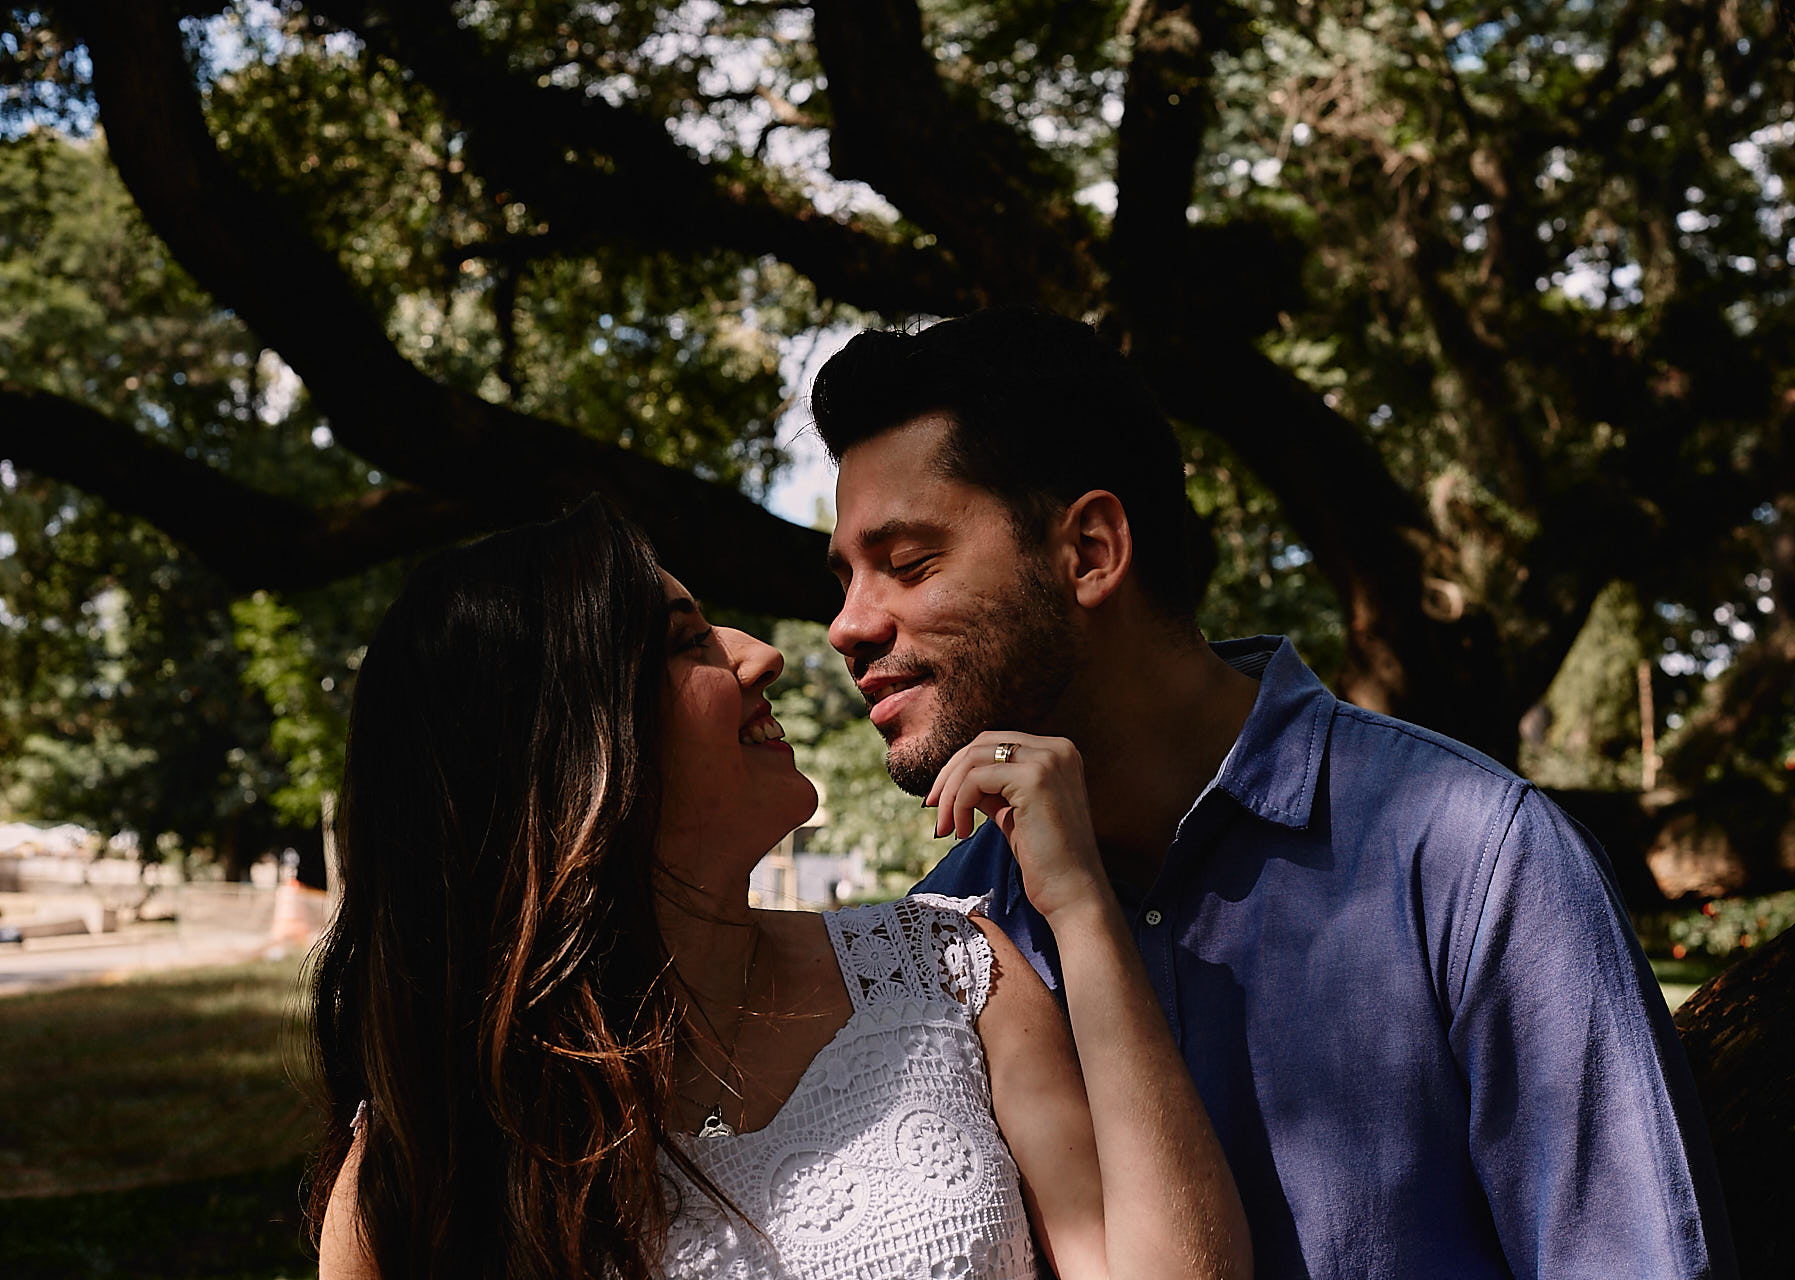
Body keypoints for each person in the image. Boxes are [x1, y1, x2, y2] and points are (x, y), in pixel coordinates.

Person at [813, 306, 1739, 1279]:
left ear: (1088, 550)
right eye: (842, 579)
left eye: (908, 563)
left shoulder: (1473, 857)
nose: (846, 626)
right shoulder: (951, 944)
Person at [306, 498, 1249, 1280]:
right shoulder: (420, 1171)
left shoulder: (950, 975)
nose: (760, 653)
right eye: (685, 643)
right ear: (561, 750)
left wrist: (1081, 909)